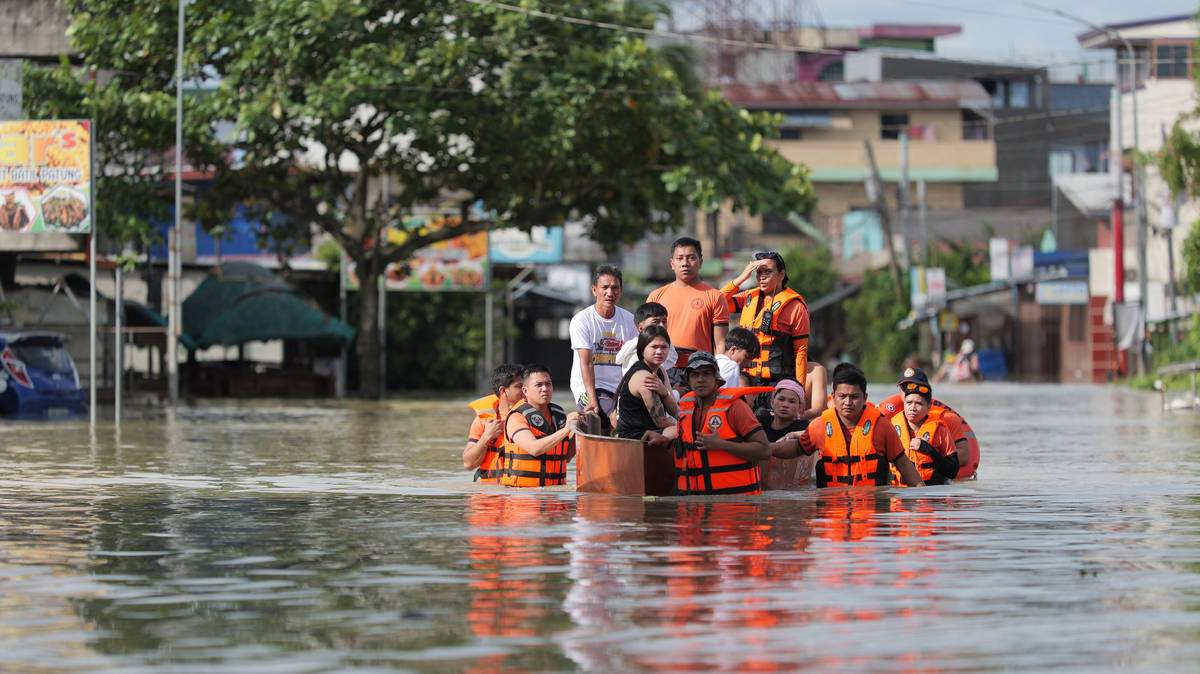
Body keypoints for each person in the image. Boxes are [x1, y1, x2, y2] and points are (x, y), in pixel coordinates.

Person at [772, 363, 924, 488]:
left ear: (865, 398)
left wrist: (922, 502)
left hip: (872, 513)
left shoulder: (882, 426)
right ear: (834, 396)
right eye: (842, 396)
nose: (848, 402)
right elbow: (796, 448)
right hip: (831, 513)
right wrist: (767, 448)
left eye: (854, 397)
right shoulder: (820, 426)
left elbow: (904, 465)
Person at [645, 351, 770, 495]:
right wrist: (665, 442)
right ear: (689, 380)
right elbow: (689, 453)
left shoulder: (736, 407)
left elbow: (765, 450)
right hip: (697, 504)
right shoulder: (686, 410)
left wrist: (723, 445)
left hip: (736, 506)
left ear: (716, 379)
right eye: (695, 375)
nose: (700, 379)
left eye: (706, 374)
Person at [719, 250, 810, 386]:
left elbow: (800, 351)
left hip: (776, 382)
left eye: (767, 272)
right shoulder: (748, 297)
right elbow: (717, 302)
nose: (761, 276)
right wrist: (742, 278)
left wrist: (799, 388)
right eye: (759, 272)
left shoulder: (795, 307)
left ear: (782, 274)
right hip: (745, 379)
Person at [646, 237, 730, 380]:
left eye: (691, 258)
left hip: (699, 370)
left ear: (700, 262)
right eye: (680, 258)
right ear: (672, 263)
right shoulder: (656, 296)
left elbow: (721, 342)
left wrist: (716, 374)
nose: (685, 263)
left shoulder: (715, 296)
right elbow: (646, 338)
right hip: (663, 369)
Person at [569, 264, 637, 432]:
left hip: (619, 388)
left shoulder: (629, 320)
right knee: (609, 419)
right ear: (594, 290)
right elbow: (586, 363)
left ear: (620, 291)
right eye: (604, 287)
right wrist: (592, 400)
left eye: (615, 288)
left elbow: (636, 360)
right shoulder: (582, 320)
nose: (610, 293)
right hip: (590, 387)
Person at [878, 368, 971, 477]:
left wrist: (930, 451)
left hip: (931, 484)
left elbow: (964, 457)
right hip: (899, 487)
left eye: (914, 386)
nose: (909, 390)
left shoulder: (946, 419)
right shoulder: (889, 420)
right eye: (904, 387)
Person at [502, 364, 580, 487]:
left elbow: (566, 457)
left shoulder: (558, 415)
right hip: (522, 497)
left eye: (548, 384)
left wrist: (578, 430)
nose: (545, 389)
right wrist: (566, 430)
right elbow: (534, 448)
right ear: (525, 391)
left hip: (554, 495)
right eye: (539, 385)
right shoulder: (516, 417)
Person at [614, 325, 679, 440]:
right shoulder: (644, 377)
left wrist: (664, 393)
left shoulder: (661, 370)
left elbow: (674, 411)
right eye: (654, 347)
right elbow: (661, 422)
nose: (659, 351)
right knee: (685, 431)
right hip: (634, 439)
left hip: (652, 431)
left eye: (664, 347)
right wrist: (688, 428)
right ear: (642, 349)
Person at [463, 363, 525, 483]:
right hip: (490, 495)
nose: (524, 391)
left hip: (520, 493)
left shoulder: (531, 416)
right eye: (518, 386)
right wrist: (487, 436)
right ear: (503, 391)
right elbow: (468, 464)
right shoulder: (484, 420)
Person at [614, 302, 678, 377]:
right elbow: (618, 359)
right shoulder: (634, 349)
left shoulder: (662, 368)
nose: (661, 326)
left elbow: (671, 360)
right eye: (655, 322)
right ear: (641, 328)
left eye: (664, 322)